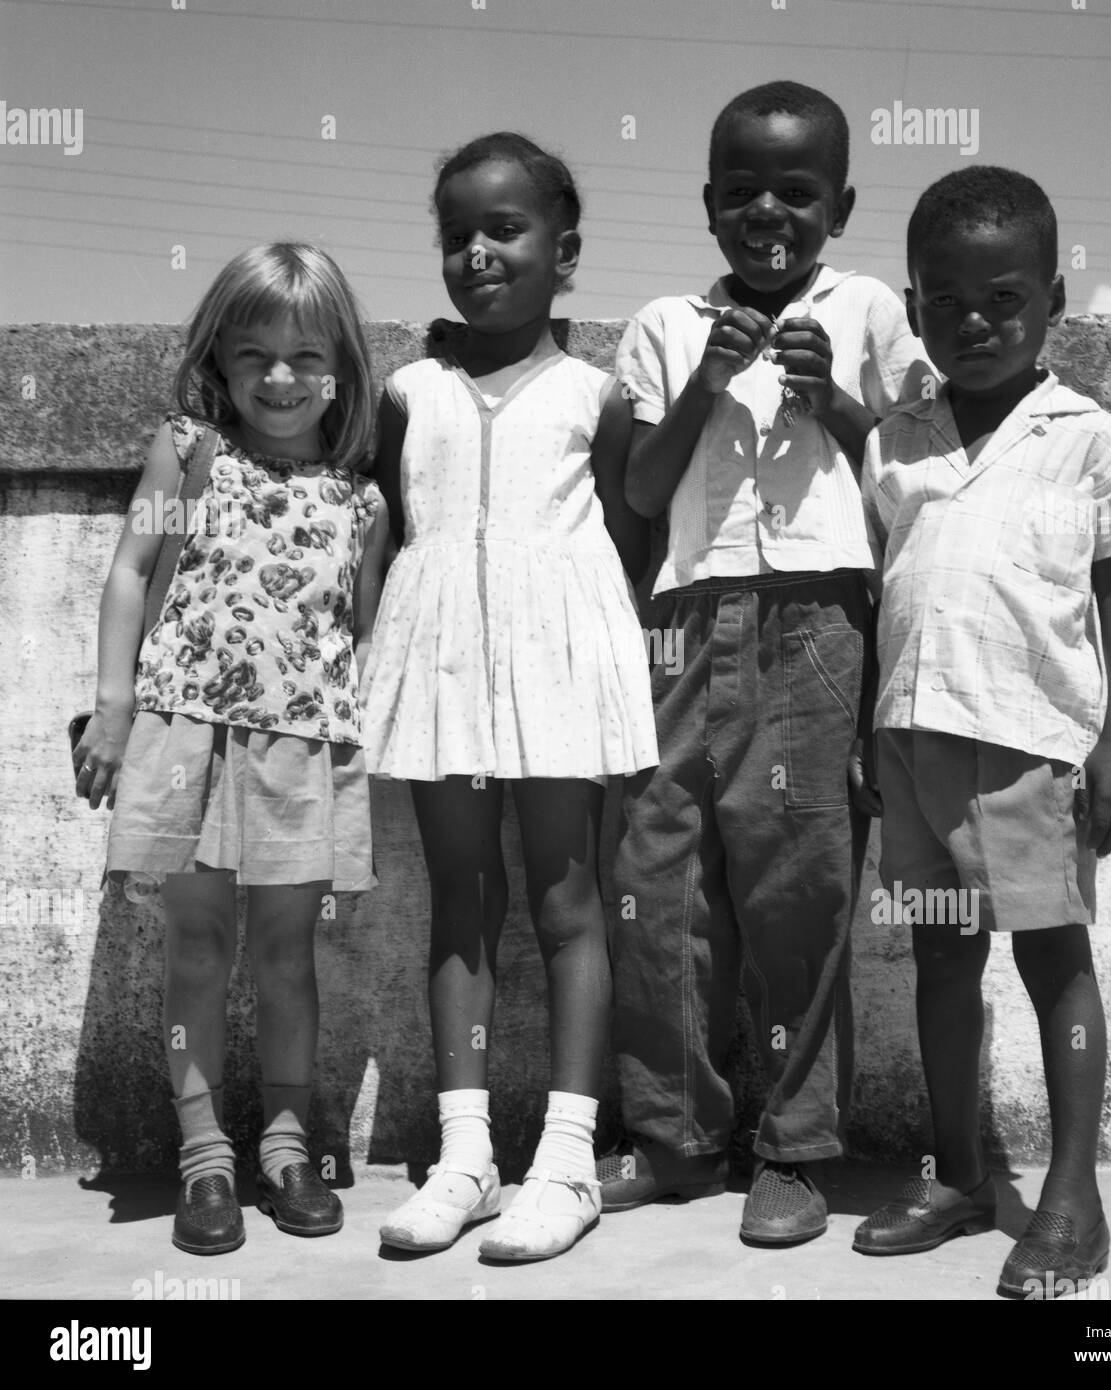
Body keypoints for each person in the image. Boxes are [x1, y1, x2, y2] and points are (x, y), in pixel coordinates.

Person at [599, 81, 934, 1245]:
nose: (767, 213)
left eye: (795, 192)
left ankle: (793, 1149)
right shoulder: (661, 324)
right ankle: (673, 1136)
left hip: (817, 619)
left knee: (797, 886)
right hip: (685, 618)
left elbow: (912, 477)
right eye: (740, 191)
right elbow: (641, 493)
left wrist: (829, 399)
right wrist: (707, 380)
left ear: (839, 203)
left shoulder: (872, 311)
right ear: (705, 203)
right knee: (660, 878)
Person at [854, 166, 1111, 1297]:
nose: (973, 321)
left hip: (1030, 745)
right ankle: (955, 1175)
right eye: (944, 302)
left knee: (1051, 959)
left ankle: (1073, 1197)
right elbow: (883, 587)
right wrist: (864, 743)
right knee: (941, 957)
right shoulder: (893, 439)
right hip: (911, 744)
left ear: (1052, 297)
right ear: (913, 304)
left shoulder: (1083, 437)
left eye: (1002, 298)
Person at [364, 132, 658, 1262]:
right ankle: (466, 1152)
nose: (477, 251)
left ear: (564, 252)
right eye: (456, 235)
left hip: (558, 668)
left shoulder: (598, 395)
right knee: (459, 901)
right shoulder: (407, 391)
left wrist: (575, 655)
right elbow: (391, 527)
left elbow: (623, 550)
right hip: (440, 664)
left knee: (568, 901)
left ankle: (569, 1158)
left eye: (505, 229)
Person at [75, 242, 388, 1254]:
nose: (280, 377)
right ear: (218, 357)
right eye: (254, 354)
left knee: (290, 956)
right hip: (187, 737)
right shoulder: (189, 453)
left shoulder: (360, 496)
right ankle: (204, 1153)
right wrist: (113, 710)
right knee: (199, 948)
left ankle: (287, 1143)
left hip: (302, 748)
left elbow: (362, 630)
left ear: (342, 365)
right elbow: (131, 573)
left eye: (304, 355)